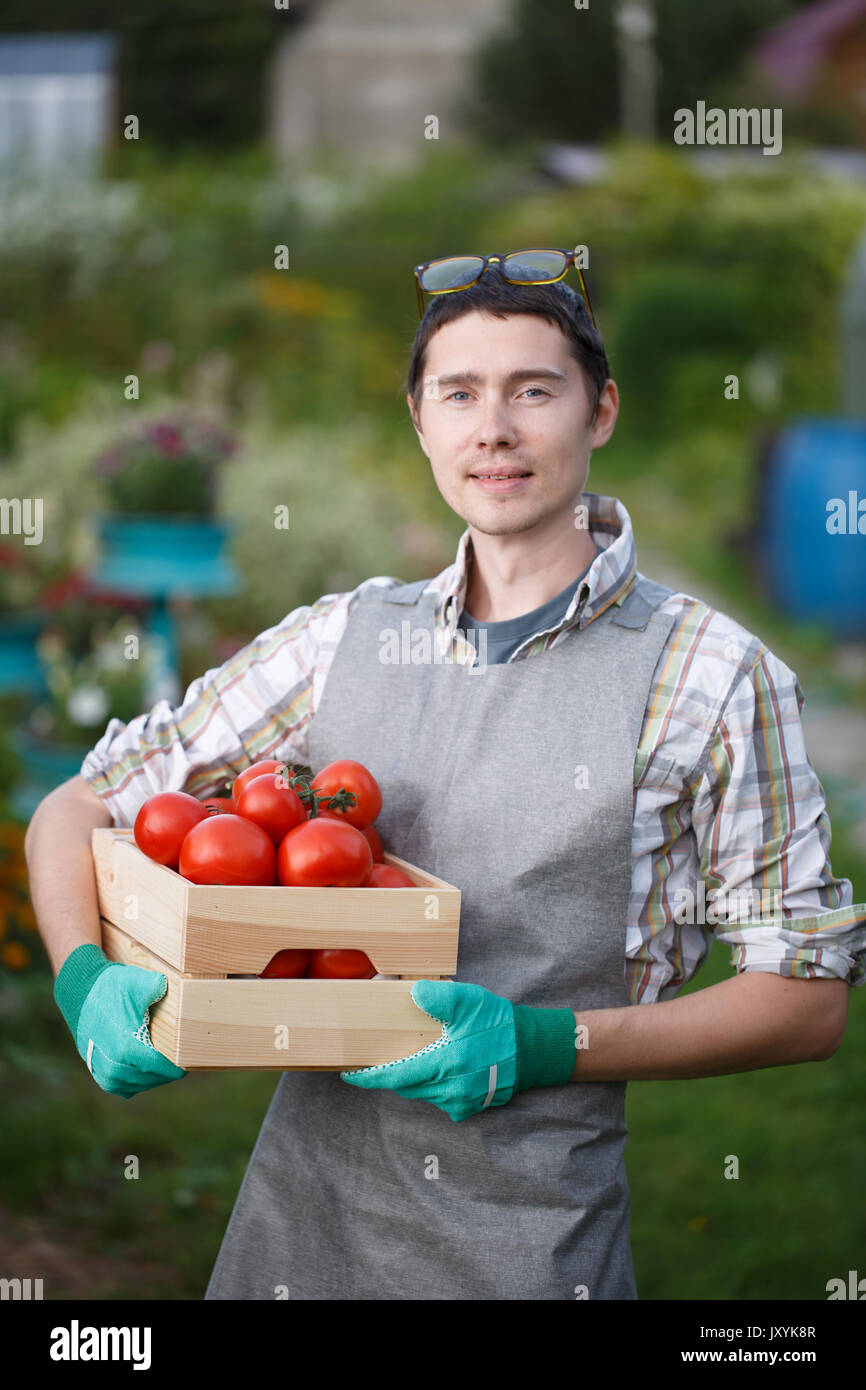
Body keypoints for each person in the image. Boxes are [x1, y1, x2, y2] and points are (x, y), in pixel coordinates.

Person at [25, 250, 866, 1302]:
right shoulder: (338, 638)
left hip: (529, 1244)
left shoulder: (714, 677)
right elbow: (81, 801)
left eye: (533, 389)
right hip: (297, 1231)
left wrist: (542, 1044)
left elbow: (803, 999)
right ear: (420, 423)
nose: (493, 428)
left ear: (599, 411)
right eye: (457, 393)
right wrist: (80, 978)